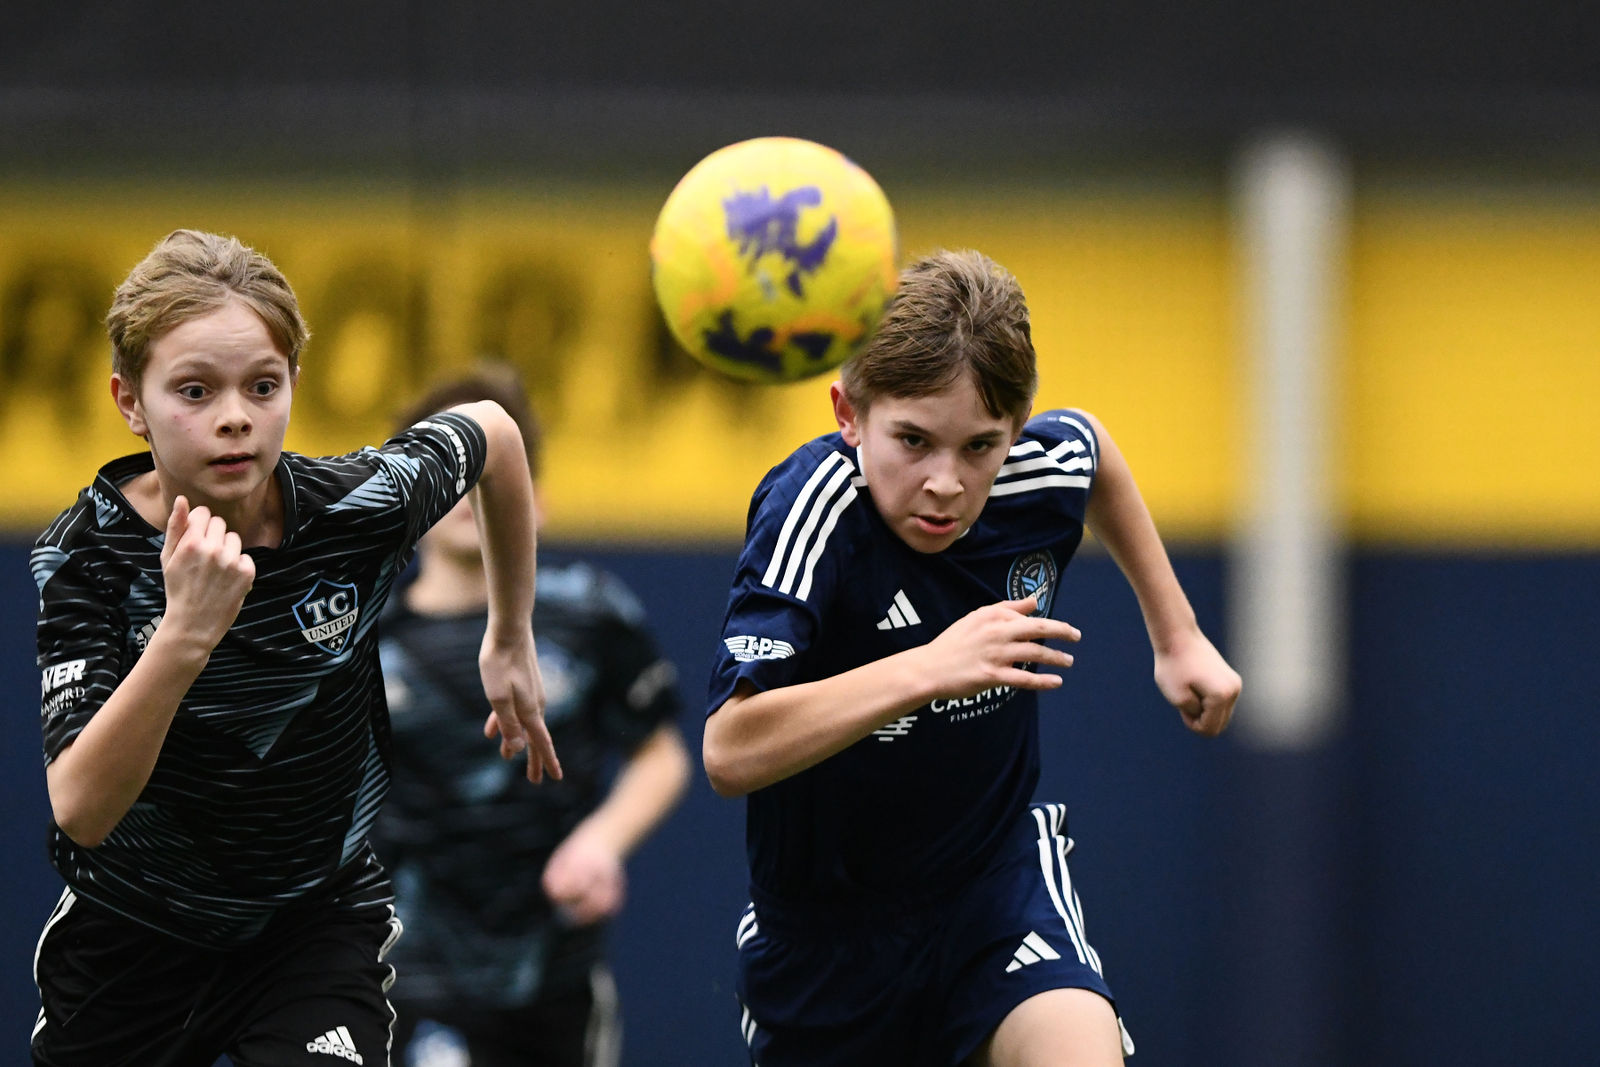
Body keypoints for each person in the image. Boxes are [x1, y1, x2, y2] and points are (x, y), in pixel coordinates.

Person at [30, 229, 560, 1067]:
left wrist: (509, 631)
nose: (235, 415)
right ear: (129, 401)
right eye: (194, 390)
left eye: (262, 385)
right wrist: (185, 634)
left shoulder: (355, 508)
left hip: (312, 925)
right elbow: (83, 809)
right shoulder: (87, 558)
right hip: (131, 938)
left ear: (293, 386)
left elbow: (493, 431)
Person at [702, 248, 1241, 1067]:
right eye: (912, 440)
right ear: (849, 412)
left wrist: (1179, 636)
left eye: (979, 447)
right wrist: (930, 665)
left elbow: (1091, 450)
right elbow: (730, 748)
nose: (946, 483)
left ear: (1013, 430)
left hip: (993, 887)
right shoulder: (811, 510)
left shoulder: (1034, 472)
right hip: (824, 941)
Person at [372, 365, 691, 1067]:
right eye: (446, 467)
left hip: (559, 978)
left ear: (533, 499)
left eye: (488, 468)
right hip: (414, 974)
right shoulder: (366, 643)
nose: (469, 488)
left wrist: (602, 839)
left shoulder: (590, 612)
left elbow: (660, 754)